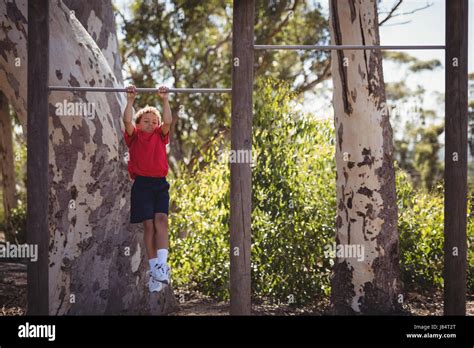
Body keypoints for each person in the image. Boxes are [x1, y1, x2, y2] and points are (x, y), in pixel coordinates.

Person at [122, 84, 172, 293]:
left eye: (154, 121)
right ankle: (154, 271)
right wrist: (131, 101)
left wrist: (165, 99)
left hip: (160, 184)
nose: (151, 124)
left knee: (161, 221)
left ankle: (162, 265)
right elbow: (126, 120)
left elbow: (168, 121)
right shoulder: (134, 137)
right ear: (139, 124)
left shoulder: (161, 135)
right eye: (146, 121)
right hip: (141, 184)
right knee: (149, 227)